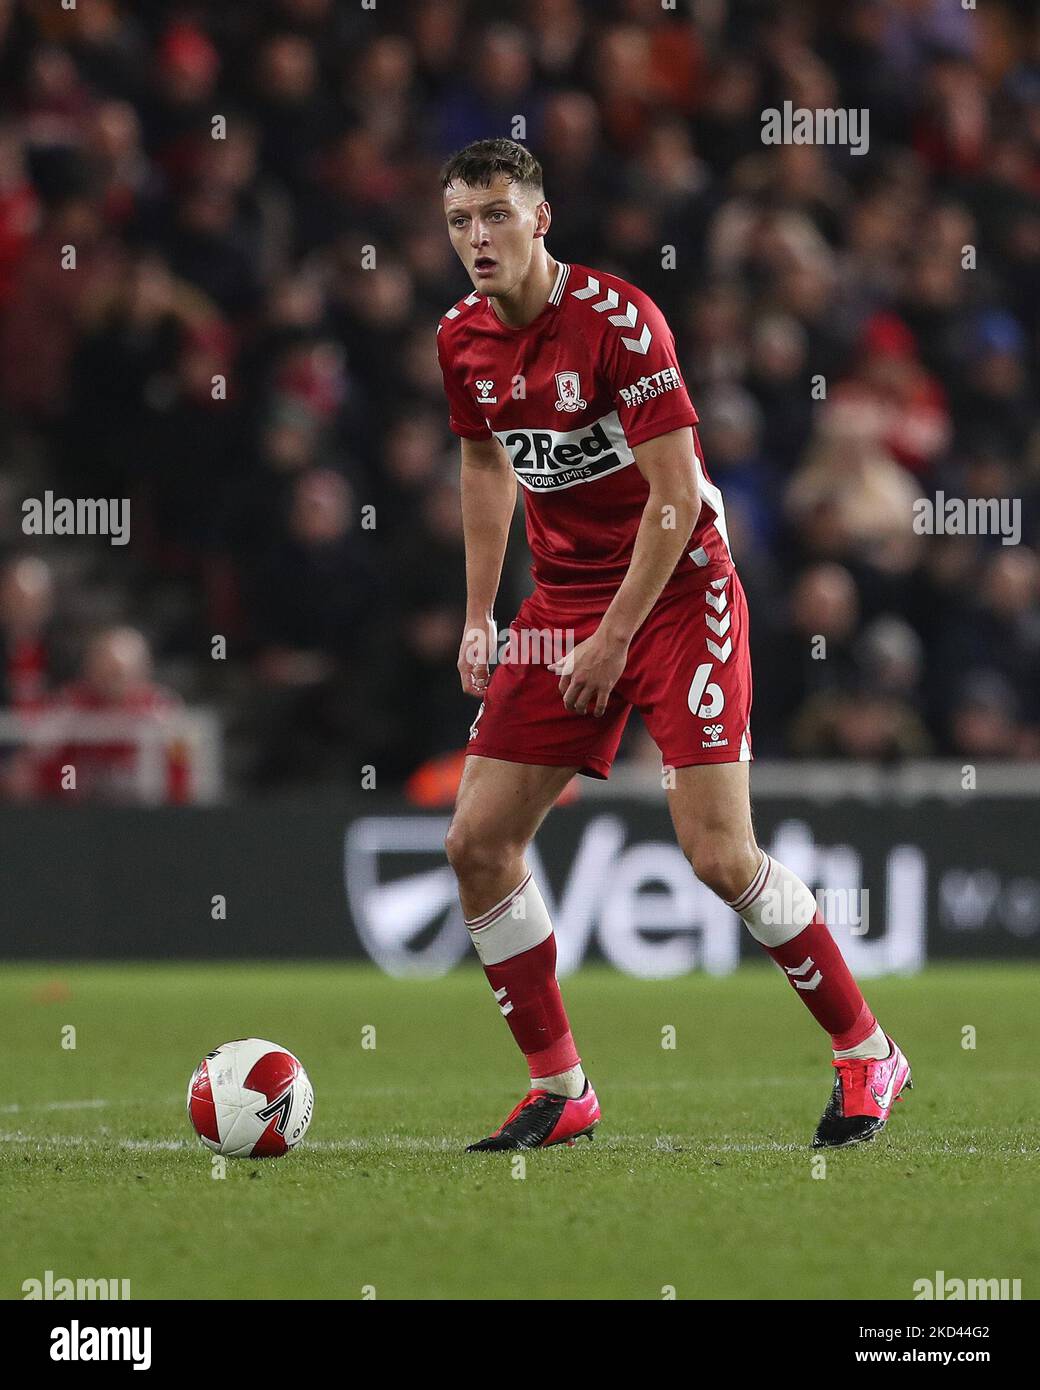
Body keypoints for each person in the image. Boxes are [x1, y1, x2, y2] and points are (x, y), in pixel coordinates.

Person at [436, 138, 911, 1151]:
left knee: (714, 853)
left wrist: (613, 638)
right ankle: (560, 1087)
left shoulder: (617, 322)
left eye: (494, 214)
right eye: (459, 220)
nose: (477, 237)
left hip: (678, 590)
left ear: (539, 218)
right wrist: (481, 612)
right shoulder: (459, 339)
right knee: (475, 844)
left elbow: (672, 496)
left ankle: (867, 1050)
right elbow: (483, 464)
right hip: (561, 602)